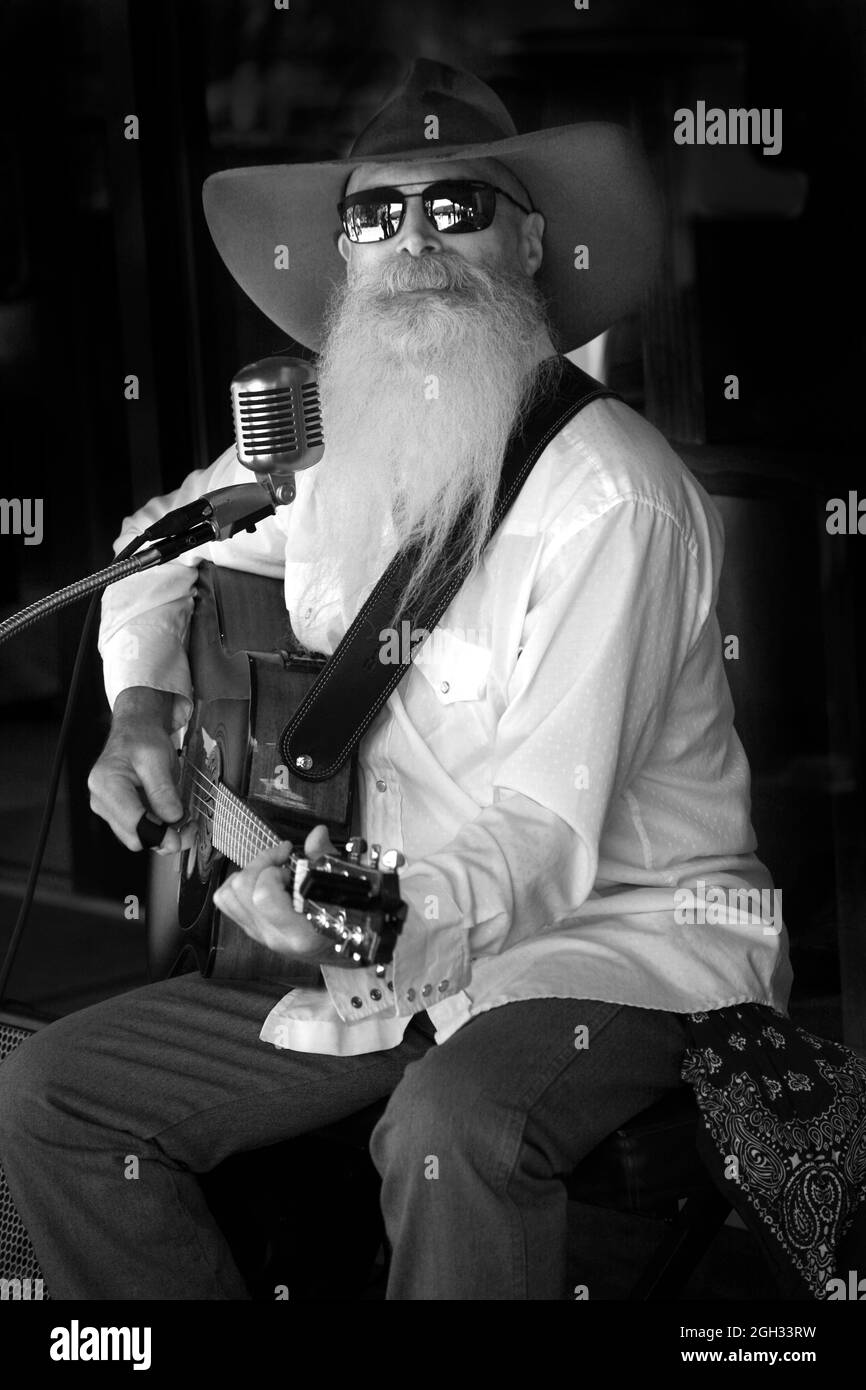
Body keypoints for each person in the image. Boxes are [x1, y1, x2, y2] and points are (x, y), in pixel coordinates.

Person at [0, 58, 790, 1301]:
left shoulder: (610, 497)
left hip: (611, 950)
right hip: (386, 942)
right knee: (51, 1094)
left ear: (528, 244)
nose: (409, 240)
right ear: (343, 260)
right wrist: (140, 708)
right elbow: (160, 543)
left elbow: (541, 833)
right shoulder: (328, 441)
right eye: (374, 216)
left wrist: (365, 921)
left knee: (447, 1131)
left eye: (454, 207)